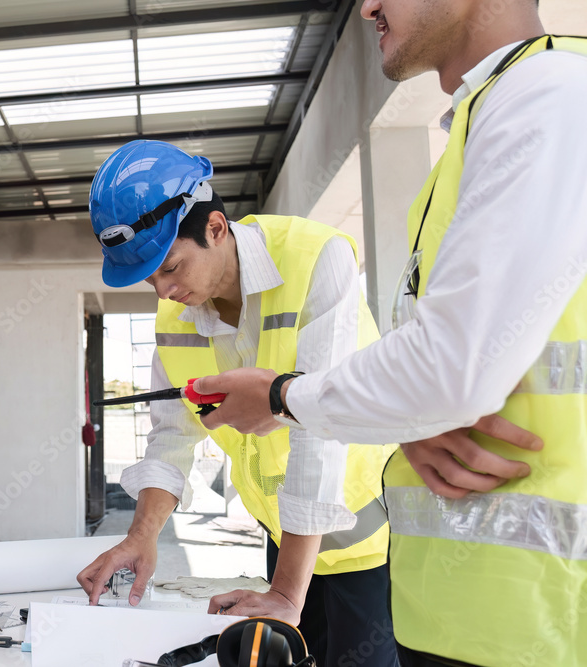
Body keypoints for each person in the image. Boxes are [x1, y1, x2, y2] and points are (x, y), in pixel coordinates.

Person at [189, 2, 587, 665]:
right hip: (468, 620)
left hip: (549, 625)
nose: (367, 6)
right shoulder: (482, 124)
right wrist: (414, 417)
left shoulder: (547, 96)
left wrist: (282, 396)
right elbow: (458, 374)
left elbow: (452, 368)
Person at [77, 140, 399, 667]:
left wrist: (288, 594)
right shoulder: (176, 317)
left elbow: (319, 431)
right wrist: (141, 535)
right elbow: (173, 434)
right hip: (286, 538)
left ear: (216, 228)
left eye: (170, 267)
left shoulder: (316, 259)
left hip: (371, 546)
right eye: (151, 277)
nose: (163, 291)